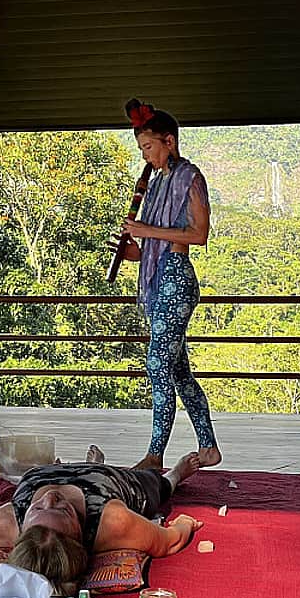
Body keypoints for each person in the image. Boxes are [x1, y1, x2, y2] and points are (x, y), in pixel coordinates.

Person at [111, 98, 222, 471]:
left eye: (149, 147)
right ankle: (208, 448)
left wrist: (144, 230)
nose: (146, 156)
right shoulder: (156, 183)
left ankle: (155, 456)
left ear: (169, 141)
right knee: (178, 372)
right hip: (160, 279)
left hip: (177, 280)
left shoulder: (191, 177)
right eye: (141, 149)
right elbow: (153, 248)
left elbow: (198, 234)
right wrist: (134, 251)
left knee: (157, 362)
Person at [0, 446, 214, 594]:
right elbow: (168, 541)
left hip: (43, 473)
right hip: (111, 481)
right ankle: (175, 474)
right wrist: (186, 522)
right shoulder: (112, 522)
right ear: (79, 533)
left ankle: (92, 464)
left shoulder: (3, 525)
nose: (50, 497)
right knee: (157, 485)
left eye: (37, 508)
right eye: (62, 510)